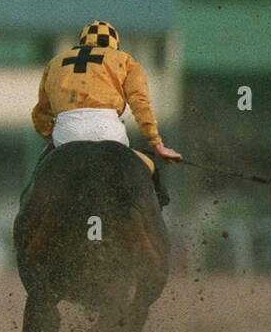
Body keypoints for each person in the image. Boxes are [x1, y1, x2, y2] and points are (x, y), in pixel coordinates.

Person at [30, 20, 182, 206]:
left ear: (81, 43)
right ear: (114, 45)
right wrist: (157, 145)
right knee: (147, 166)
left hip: (66, 132)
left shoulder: (55, 63)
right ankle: (154, 214)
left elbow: (41, 114)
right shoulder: (124, 60)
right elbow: (140, 104)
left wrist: (52, 135)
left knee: (39, 175)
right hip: (108, 131)